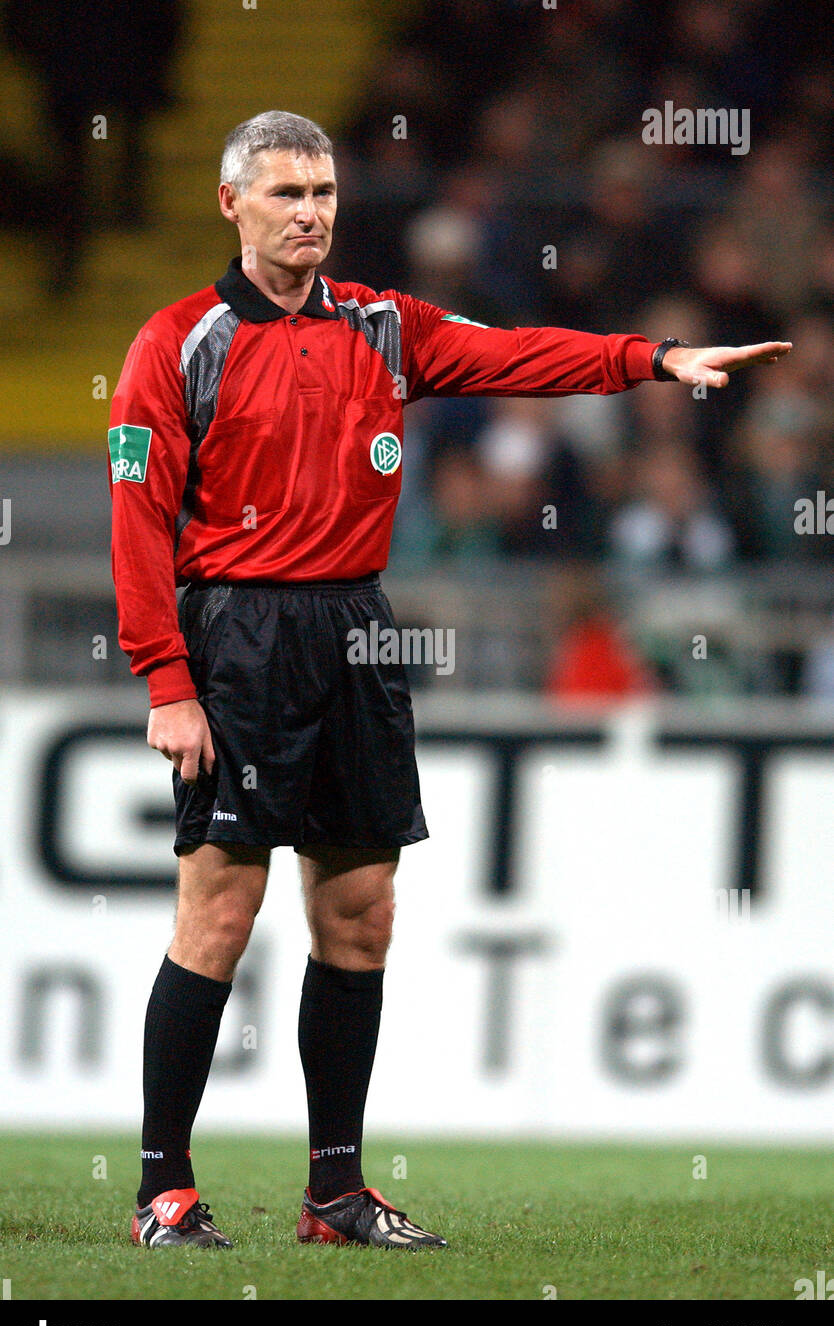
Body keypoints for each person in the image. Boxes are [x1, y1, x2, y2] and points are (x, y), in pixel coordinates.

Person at [107, 109, 791, 1250]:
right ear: (231, 204)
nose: (310, 213)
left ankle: (334, 1193)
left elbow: (519, 353)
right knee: (219, 911)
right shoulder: (176, 342)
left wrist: (656, 359)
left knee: (361, 914)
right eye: (285, 193)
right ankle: (162, 1189)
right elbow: (136, 522)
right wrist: (164, 681)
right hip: (237, 635)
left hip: (357, 629)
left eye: (323, 193)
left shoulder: (384, 325)